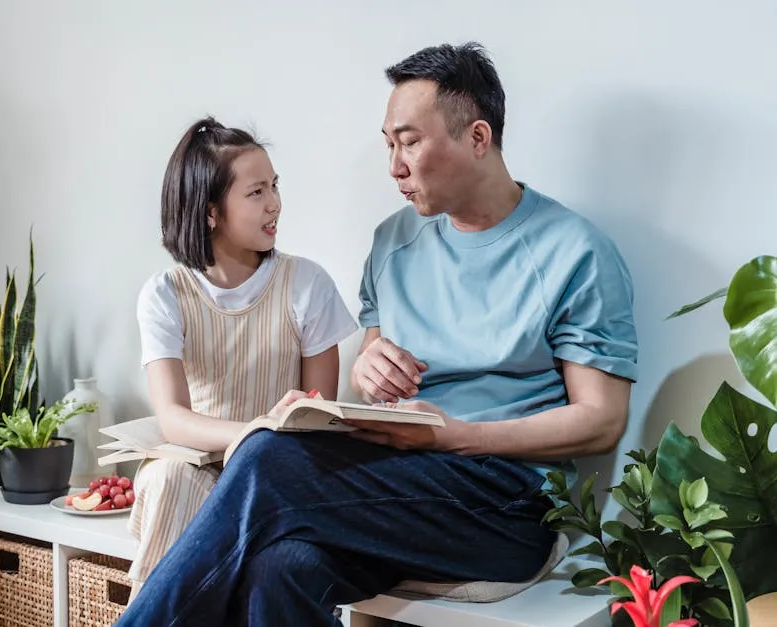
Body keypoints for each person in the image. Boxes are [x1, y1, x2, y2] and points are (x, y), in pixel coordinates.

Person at [116, 42, 638, 627]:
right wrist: (368, 365)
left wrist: (457, 436)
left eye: (409, 142)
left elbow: (602, 420)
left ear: (477, 138)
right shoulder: (393, 242)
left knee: (266, 455)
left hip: (508, 504)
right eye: (389, 144)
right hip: (397, 479)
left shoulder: (576, 251)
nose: (394, 165)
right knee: (283, 566)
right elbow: (376, 355)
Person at [126, 116, 358, 596]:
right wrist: (255, 432)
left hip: (275, 469)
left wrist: (265, 446)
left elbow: (318, 416)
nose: (275, 203)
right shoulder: (165, 294)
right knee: (170, 480)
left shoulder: (306, 284)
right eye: (256, 192)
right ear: (211, 211)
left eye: (274, 186)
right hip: (195, 463)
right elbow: (172, 418)